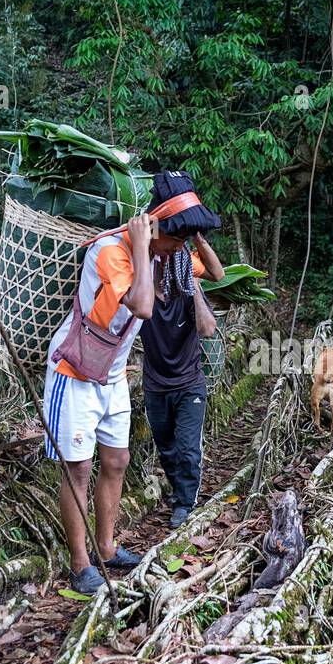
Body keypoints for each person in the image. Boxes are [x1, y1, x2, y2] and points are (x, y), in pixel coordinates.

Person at [43, 171, 220, 593]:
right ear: (152, 229)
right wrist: (142, 246)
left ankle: (106, 548)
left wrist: (186, 239)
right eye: (173, 240)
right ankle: (80, 562)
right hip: (75, 372)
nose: (177, 250)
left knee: (117, 461)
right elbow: (141, 305)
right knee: (79, 468)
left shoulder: (165, 253)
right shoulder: (109, 251)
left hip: (113, 375)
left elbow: (213, 271)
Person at [139, 171, 225, 528]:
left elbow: (209, 323)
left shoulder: (184, 268)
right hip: (155, 382)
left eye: (181, 242)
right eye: (174, 239)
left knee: (187, 447)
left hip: (189, 380)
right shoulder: (140, 276)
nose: (177, 247)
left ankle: (185, 504)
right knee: (167, 447)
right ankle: (178, 492)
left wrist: (197, 242)